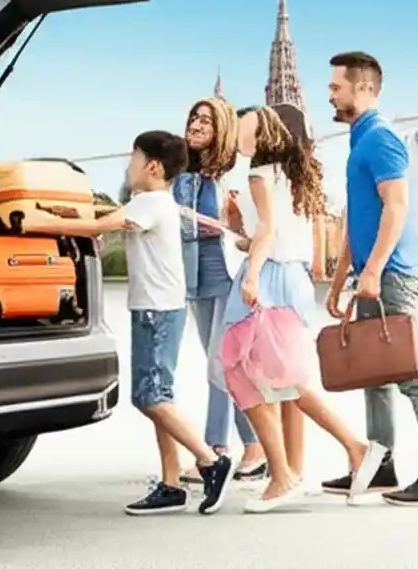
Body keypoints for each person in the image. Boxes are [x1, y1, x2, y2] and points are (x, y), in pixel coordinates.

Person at [22, 130, 236, 516]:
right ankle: (171, 485)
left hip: (157, 313)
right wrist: (65, 214)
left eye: (133, 159)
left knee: (150, 397)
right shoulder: (149, 203)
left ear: (152, 166)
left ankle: (209, 460)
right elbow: (103, 216)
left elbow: (97, 227)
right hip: (155, 310)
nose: (128, 166)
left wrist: (39, 223)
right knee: (160, 398)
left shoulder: (152, 202)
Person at [319, 51, 418, 506]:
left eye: (337, 87)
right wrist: (339, 280)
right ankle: (384, 463)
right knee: (377, 371)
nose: (330, 94)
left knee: (408, 372)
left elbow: (397, 206)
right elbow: (358, 215)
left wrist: (371, 271)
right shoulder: (359, 140)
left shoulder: (382, 139)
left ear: (364, 88)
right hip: (374, 272)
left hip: (392, 273)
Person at [215, 104, 386, 514]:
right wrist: (244, 235)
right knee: (271, 375)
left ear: (263, 133)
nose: (237, 131)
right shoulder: (292, 177)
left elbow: (268, 232)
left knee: (249, 371)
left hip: (269, 278)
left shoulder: (259, 173)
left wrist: (252, 273)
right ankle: (330, 457)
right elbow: (273, 234)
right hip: (291, 279)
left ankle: (294, 470)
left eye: (244, 126)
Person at [171, 98, 267, 483]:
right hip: (192, 278)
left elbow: (251, 232)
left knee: (220, 364)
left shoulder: (234, 174)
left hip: (225, 273)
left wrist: (218, 225)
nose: (196, 124)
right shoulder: (179, 173)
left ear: (222, 128)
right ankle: (254, 446)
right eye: (193, 117)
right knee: (223, 366)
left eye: (206, 120)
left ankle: (215, 450)